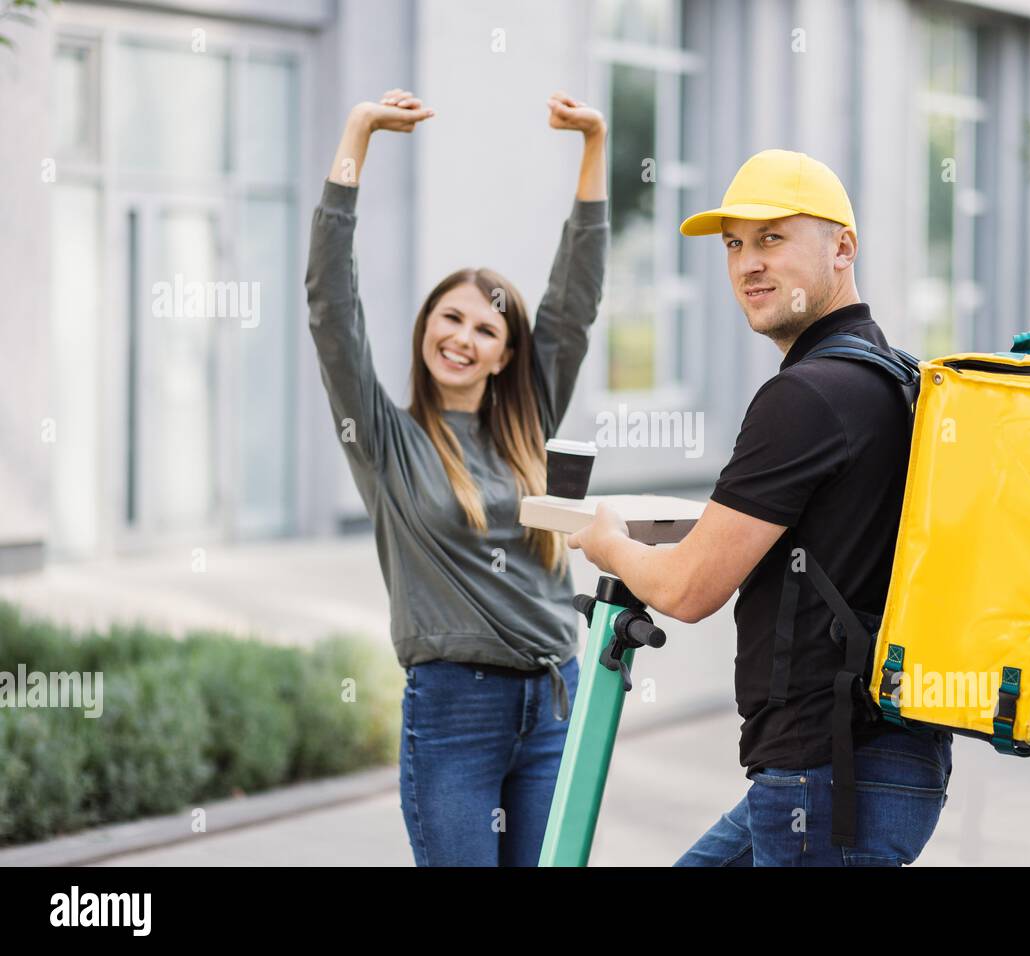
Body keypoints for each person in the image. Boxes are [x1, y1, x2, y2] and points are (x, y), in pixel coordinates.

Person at [567, 149, 953, 866]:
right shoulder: (893, 376)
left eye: (773, 238)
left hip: (830, 779)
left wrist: (608, 542)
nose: (748, 264)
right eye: (735, 245)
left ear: (843, 248)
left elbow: (687, 590)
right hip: (873, 762)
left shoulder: (806, 396)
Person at [305, 88, 609, 866]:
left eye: (486, 327)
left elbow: (572, 303)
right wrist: (358, 136)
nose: (464, 338)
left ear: (508, 352)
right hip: (454, 715)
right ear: (426, 328)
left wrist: (594, 147)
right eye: (451, 318)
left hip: (553, 702)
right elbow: (331, 309)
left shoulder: (529, 420)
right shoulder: (387, 440)